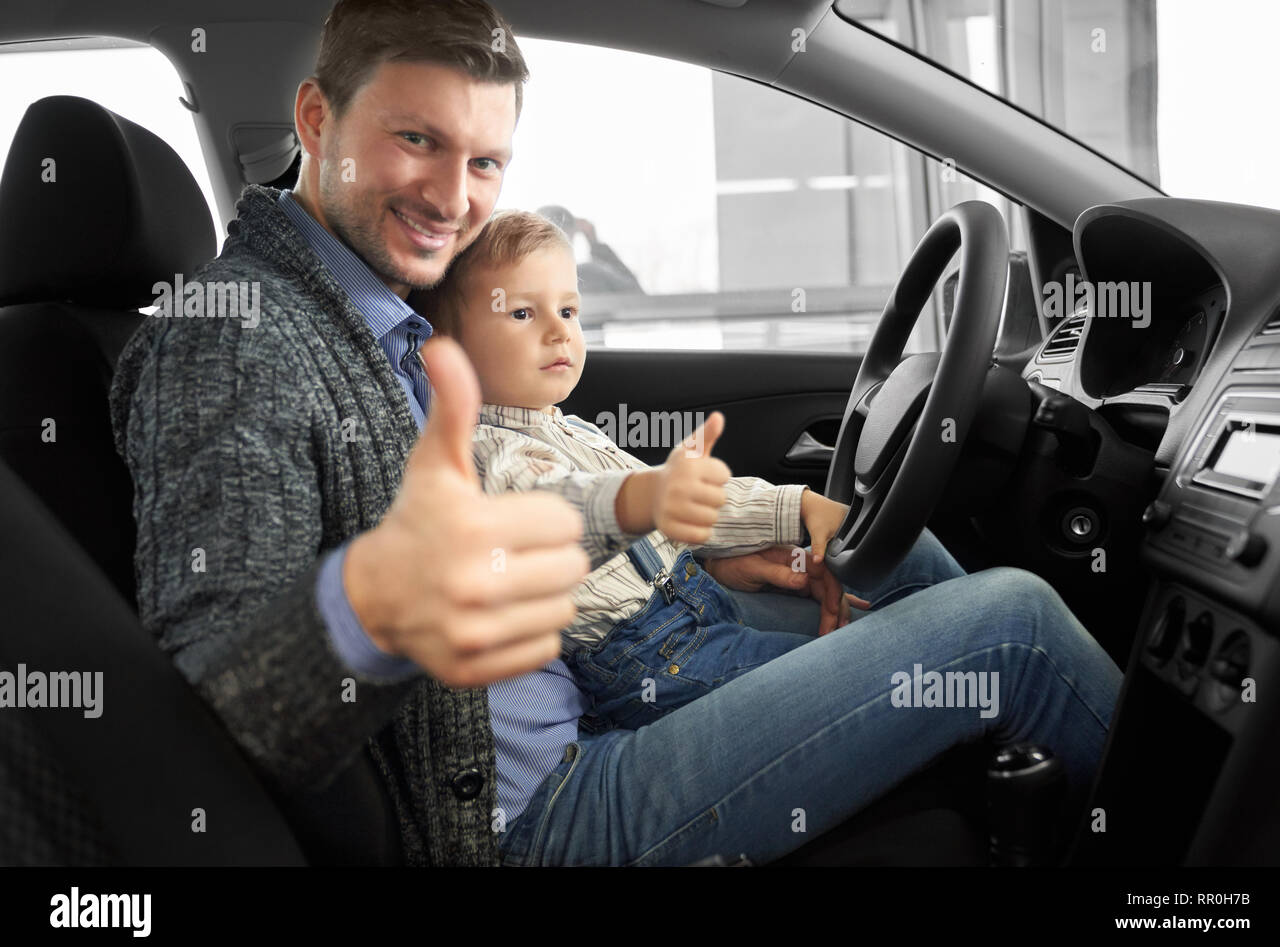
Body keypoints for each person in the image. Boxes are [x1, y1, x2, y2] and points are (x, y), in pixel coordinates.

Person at [108, 0, 1121, 866]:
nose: (452, 200)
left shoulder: (386, 314)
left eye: (486, 161)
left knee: (887, 555)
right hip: (540, 812)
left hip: (596, 681)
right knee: (1013, 627)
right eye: (416, 140)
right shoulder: (233, 339)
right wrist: (372, 606)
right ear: (317, 118)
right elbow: (215, 712)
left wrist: (706, 559)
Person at [420, 209, 870, 732]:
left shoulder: (575, 432)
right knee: (856, 674)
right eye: (522, 314)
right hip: (650, 659)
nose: (557, 333)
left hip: (693, 604)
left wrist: (792, 506)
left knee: (861, 634)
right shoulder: (486, 450)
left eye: (568, 310)